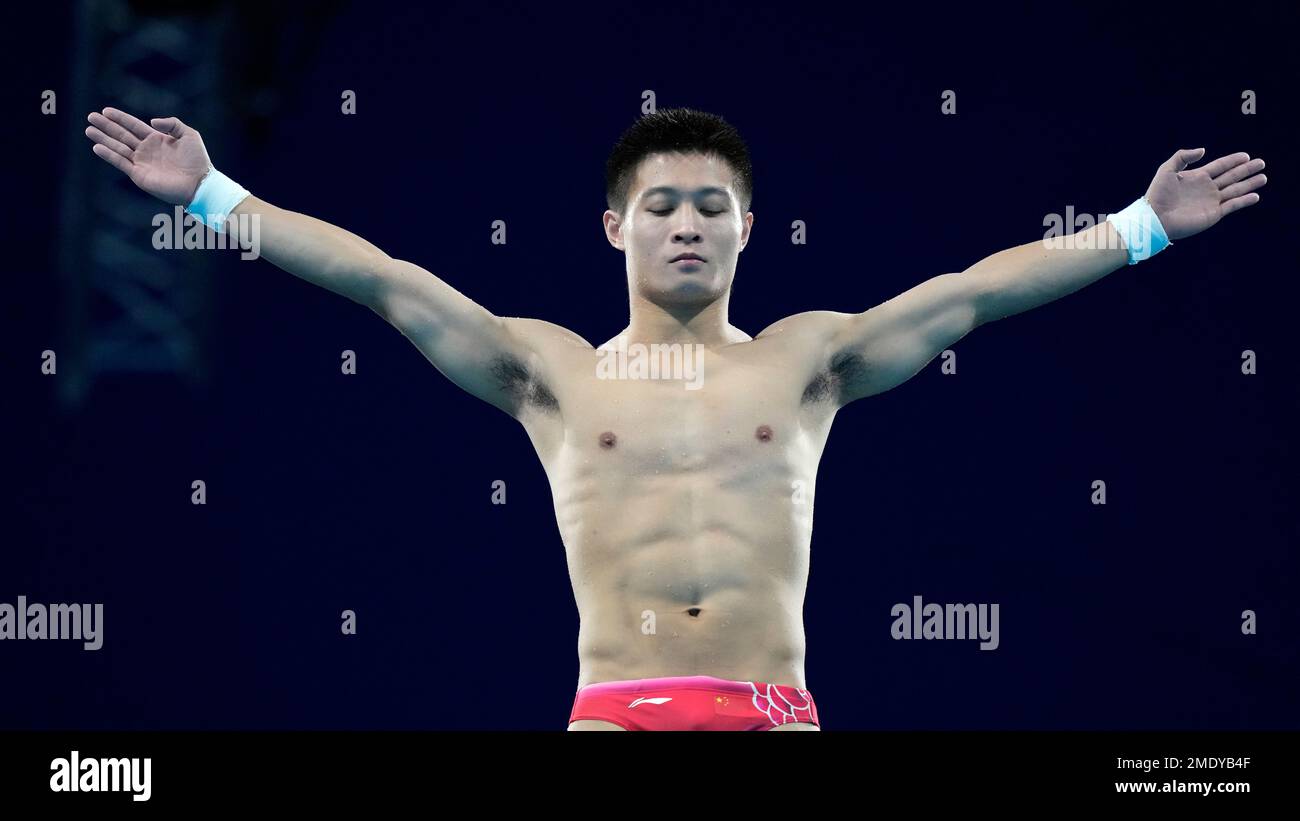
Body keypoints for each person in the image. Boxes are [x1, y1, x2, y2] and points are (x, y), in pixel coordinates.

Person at [84, 106, 1267, 730]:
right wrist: (212, 195)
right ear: (616, 228)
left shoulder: (810, 359)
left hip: (774, 711)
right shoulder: (549, 372)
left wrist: (1144, 225)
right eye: (661, 205)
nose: (687, 223)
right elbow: (381, 276)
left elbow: (973, 292)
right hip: (613, 713)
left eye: (712, 204)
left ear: (749, 227)